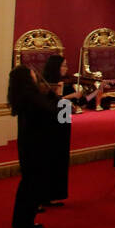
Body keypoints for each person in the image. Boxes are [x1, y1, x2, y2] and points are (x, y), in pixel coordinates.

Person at [7, 65, 55, 228]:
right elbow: (54, 115)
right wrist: (58, 100)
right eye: (33, 74)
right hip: (36, 147)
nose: (36, 75)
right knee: (31, 186)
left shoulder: (27, 97)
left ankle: (26, 221)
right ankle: (23, 225)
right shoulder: (32, 98)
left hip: (31, 146)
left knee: (30, 185)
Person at [39, 55, 72, 207]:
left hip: (63, 124)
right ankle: (46, 195)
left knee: (61, 158)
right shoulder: (46, 85)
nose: (66, 68)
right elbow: (53, 106)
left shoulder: (64, 83)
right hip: (52, 128)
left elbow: (65, 109)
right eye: (63, 65)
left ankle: (54, 194)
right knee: (52, 160)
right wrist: (66, 98)